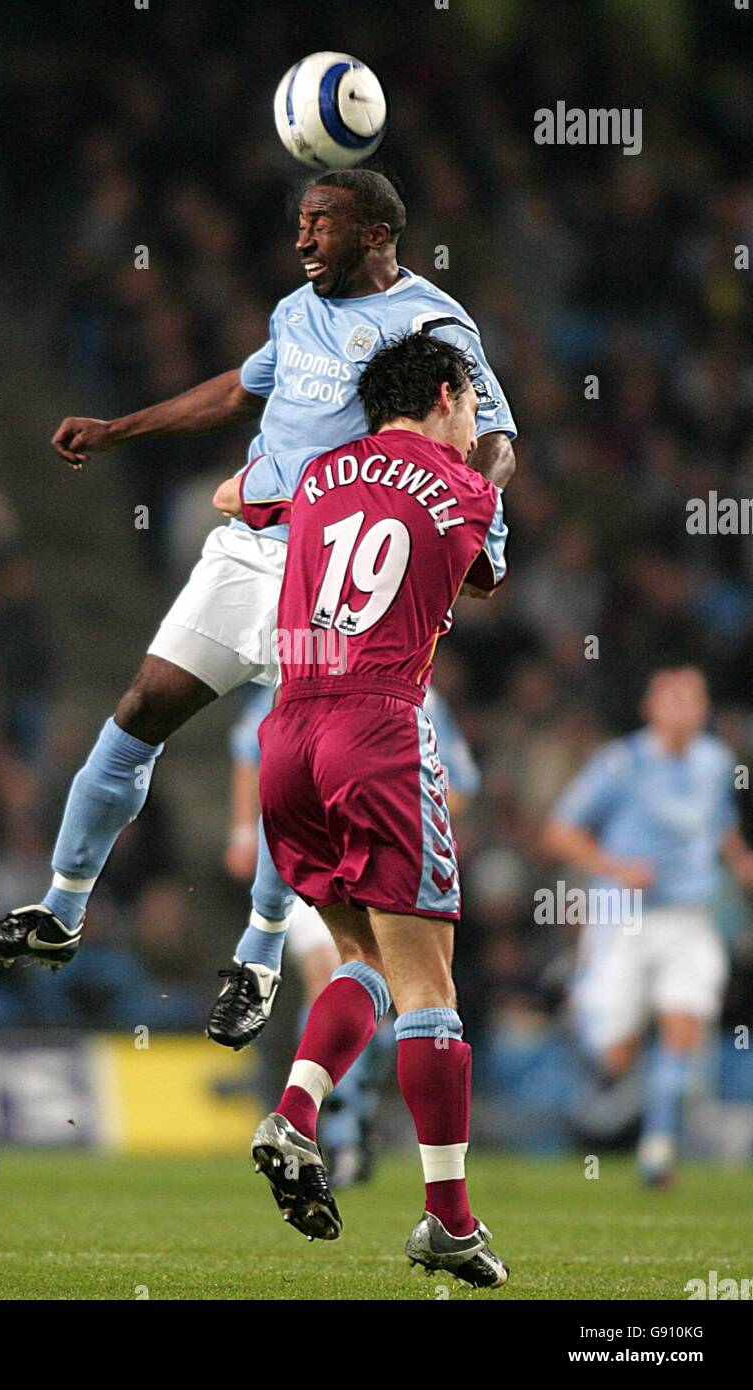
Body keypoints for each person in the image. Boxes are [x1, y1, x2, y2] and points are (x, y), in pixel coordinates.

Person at [0, 172, 516, 1031]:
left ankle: (259, 957)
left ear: (374, 234)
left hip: (328, 564)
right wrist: (119, 428)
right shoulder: (296, 310)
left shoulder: (431, 322)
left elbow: (493, 436)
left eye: (321, 225)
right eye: (301, 222)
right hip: (242, 550)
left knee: (290, 752)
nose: (301, 240)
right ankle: (62, 909)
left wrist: (464, 526)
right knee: (142, 706)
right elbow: (238, 391)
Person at [213, 331, 509, 1287]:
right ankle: (448, 1220)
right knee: (432, 990)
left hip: (287, 729)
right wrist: (494, 471)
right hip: (378, 726)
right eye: (469, 407)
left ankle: (296, 1109)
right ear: (448, 394)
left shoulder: (321, 464)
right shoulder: (465, 484)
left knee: (360, 958)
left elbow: (234, 498)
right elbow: (481, 573)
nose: (474, 427)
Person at [224, 680, 481, 1187]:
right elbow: (247, 753)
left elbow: (459, 787)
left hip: (368, 844)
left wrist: (416, 823)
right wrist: (241, 831)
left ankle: (333, 1117)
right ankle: (337, 1134)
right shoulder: (316, 679)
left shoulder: (422, 701)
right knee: (368, 977)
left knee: (381, 981)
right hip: (325, 843)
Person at [543, 666, 753, 1185]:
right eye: (673, 698)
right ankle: (587, 1005)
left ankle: (657, 1150)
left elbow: (719, 824)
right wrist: (617, 867)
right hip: (624, 915)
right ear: (651, 707)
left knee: (684, 1026)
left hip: (690, 914)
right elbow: (559, 830)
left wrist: (741, 860)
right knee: (614, 1051)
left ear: (704, 708)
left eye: (693, 698)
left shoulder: (715, 761)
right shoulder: (622, 763)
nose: (683, 708)